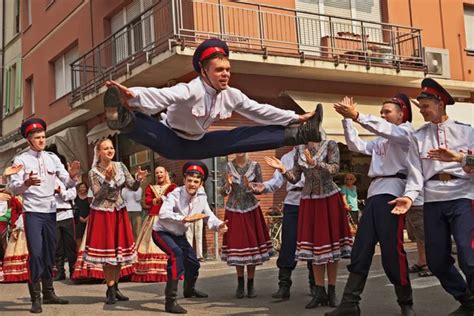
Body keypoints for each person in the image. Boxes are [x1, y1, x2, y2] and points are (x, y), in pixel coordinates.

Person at [103, 38, 323, 160]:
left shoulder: (232, 95)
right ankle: (124, 117)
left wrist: (295, 117)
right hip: (170, 137)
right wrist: (133, 95)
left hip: (197, 143)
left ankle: (300, 133)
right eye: (219, 70)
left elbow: (259, 110)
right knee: (149, 126)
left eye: (227, 69)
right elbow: (164, 95)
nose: (225, 74)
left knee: (238, 137)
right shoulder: (191, 90)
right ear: (204, 71)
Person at [389, 78, 474, 316]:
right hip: (432, 200)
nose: (422, 111)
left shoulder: (467, 131)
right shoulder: (418, 137)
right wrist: (408, 197)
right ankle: (467, 300)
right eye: (420, 106)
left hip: (463, 196)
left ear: (441, 103)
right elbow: (415, 174)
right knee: (436, 260)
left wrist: (458, 158)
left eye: (425, 106)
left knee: (469, 257)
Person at [326, 93, 415, 316]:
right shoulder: (382, 139)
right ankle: (349, 303)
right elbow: (356, 145)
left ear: (401, 114)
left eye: (387, 111)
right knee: (361, 248)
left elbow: (387, 130)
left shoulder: (406, 132)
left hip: (393, 193)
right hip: (376, 194)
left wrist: (357, 115)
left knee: (392, 252)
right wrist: (347, 120)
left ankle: (406, 303)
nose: (383, 115)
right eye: (381, 112)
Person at [265, 139, 353, 309]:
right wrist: (283, 170)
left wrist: (316, 163)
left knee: (331, 246)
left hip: (328, 198)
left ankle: (332, 291)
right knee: (315, 247)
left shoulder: (330, 144)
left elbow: (334, 169)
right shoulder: (299, 149)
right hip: (308, 200)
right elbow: (295, 177)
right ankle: (319, 292)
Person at [8, 118, 81, 313]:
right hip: (32, 212)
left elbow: (67, 182)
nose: (42, 140)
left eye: (43, 137)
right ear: (28, 140)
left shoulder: (52, 157)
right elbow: (13, 188)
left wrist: (73, 176)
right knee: (37, 254)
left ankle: (49, 293)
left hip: (51, 212)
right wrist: (27, 184)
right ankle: (36, 298)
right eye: (37, 138)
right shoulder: (21, 160)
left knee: (50, 253)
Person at [152, 161, 228, 314]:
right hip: (162, 232)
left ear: (201, 183)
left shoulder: (201, 196)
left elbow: (208, 215)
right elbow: (163, 213)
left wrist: (219, 225)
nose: (192, 184)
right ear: (184, 179)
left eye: (196, 181)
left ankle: (189, 290)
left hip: (178, 234)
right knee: (175, 254)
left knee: (193, 263)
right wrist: (183, 218)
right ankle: (170, 301)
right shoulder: (175, 194)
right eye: (189, 180)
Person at [84, 138, 147, 304]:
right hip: (102, 213)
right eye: (106, 148)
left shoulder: (120, 166)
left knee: (119, 253)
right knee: (108, 254)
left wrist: (139, 179)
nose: (110, 150)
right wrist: (107, 181)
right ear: (99, 152)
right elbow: (97, 195)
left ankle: (115, 287)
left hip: (118, 210)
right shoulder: (93, 172)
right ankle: (110, 290)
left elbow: (131, 186)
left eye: (111, 147)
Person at [250, 146, 316, 300]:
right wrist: (262, 187)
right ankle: (284, 285)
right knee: (288, 242)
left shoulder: (317, 152)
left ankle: (316, 285)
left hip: (313, 201)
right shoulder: (287, 157)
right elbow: (276, 181)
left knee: (314, 242)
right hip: (293, 201)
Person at [220, 153, 272, 299]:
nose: (240, 150)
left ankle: (251, 284)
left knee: (251, 245)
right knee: (238, 246)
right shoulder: (228, 167)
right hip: (234, 209)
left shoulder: (255, 166)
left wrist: (251, 187)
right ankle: (240, 284)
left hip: (250, 208)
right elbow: (222, 192)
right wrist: (228, 185)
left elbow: (261, 188)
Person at [131, 166, 176, 282]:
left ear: (165, 173)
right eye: (157, 173)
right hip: (153, 219)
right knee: (148, 244)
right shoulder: (150, 187)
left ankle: (170, 270)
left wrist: (160, 199)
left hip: (166, 219)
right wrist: (158, 200)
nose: (159, 174)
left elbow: (174, 199)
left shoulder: (172, 187)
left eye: (161, 172)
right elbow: (147, 201)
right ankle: (148, 271)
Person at [53, 178, 77, 281]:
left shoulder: (67, 181)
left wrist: (60, 192)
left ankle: (73, 270)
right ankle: (60, 271)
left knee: (70, 245)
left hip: (67, 214)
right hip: (53, 215)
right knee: (57, 246)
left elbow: (71, 195)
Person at [406, 195, 432, 278]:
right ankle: (423, 261)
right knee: (419, 234)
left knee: (425, 235)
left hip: (418, 202)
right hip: (415, 202)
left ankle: (432, 265)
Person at [74, 182, 90, 248]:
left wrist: (88, 218)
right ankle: (79, 252)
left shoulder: (89, 197)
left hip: (88, 219)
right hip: (78, 219)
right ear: (78, 188)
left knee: (87, 236)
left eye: (84, 187)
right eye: (81, 187)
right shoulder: (75, 197)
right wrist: (79, 217)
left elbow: (92, 207)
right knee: (78, 236)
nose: (82, 188)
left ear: (86, 188)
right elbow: (74, 208)